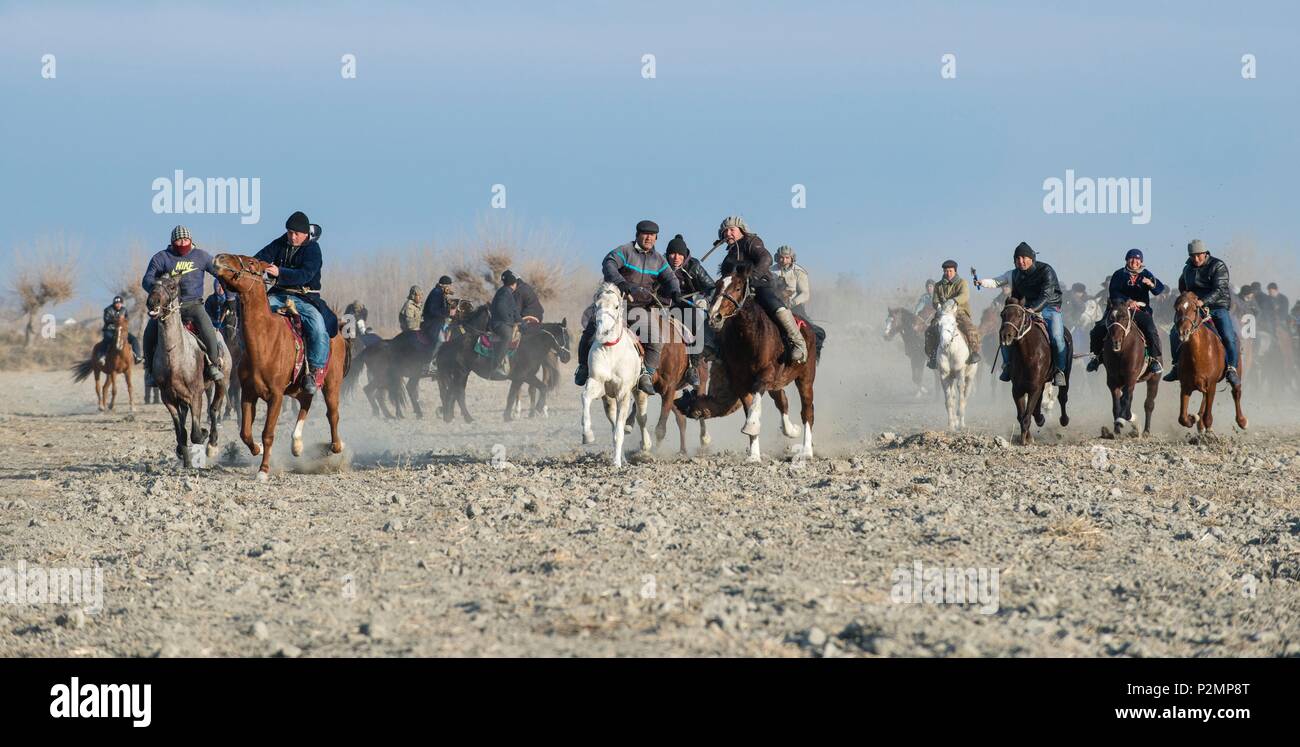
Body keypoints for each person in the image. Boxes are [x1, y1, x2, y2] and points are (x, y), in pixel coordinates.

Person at [574, 219, 684, 394]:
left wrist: (675, 292)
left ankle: (646, 374)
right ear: (638, 235)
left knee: (656, 338)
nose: (649, 238)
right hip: (617, 306)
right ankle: (583, 368)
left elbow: (671, 278)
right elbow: (608, 263)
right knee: (591, 330)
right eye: (645, 234)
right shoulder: (625, 251)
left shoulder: (659, 260)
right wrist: (621, 283)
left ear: (656, 238)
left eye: (652, 235)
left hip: (641, 309)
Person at [254, 211, 338, 395]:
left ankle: (314, 372)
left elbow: (305, 274)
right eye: (289, 232)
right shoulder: (281, 241)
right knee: (254, 316)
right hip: (278, 295)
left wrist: (279, 273)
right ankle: (250, 358)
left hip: (304, 297)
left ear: (305, 234)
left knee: (317, 326)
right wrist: (255, 265)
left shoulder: (313, 249)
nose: (292, 236)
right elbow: (260, 257)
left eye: (296, 233)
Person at [716, 215, 807, 364]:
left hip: (759, 286)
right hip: (738, 293)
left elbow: (766, 258)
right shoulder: (729, 256)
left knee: (775, 307)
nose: (728, 234)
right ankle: (718, 350)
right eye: (725, 232)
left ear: (741, 230)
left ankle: (798, 344)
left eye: (731, 230)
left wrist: (753, 277)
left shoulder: (751, 242)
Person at [141, 225, 225, 386]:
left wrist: (229, 290)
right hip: (168, 309)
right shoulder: (162, 257)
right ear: (172, 242)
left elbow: (220, 273)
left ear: (191, 240)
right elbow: (147, 279)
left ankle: (213, 365)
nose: (182, 243)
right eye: (179, 240)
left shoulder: (201, 256)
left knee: (208, 330)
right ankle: (150, 370)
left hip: (193, 305)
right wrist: (158, 285)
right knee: (149, 333)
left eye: (185, 240)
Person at [976, 242, 1068, 386]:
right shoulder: (1013, 274)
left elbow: (1046, 295)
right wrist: (982, 282)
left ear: (1032, 258)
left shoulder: (1046, 270)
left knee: (1057, 338)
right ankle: (1007, 366)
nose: (1021, 261)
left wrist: (1033, 309)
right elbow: (997, 281)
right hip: (1026, 308)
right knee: (1006, 332)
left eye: (1024, 257)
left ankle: (1059, 370)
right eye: (1017, 259)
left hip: (1049, 307)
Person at [1163, 239, 1240, 386]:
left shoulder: (1218, 265)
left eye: (1199, 255)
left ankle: (1231, 368)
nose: (1196, 259)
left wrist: (1202, 301)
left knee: (1229, 336)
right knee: (1175, 332)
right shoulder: (1187, 269)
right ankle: (1177, 366)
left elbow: (1220, 290)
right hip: (1196, 307)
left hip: (1217, 306)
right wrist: (1188, 299)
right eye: (1192, 256)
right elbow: (1183, 286)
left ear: (1205, 253)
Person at [1086, 248, 1166, 375]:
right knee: (1098, 328)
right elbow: (1114, 292)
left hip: (1140, 310)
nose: (1134, 261)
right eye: (1132, 258)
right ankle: (1096, 357)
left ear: (1141, 261)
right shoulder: (1119, 274)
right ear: (1127, 260)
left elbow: (1159, 290)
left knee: (1150, 329)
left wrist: (1151, 284)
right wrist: (1127, 301)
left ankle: (1154, 359)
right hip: (1118, 309)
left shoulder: (1146, 273)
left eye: (1138, 259)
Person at [665, 234, 714, 388]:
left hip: (686, 307)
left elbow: (711, 287)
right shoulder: (660, 265)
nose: (676, 258)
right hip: (663, 306)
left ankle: (692, 368)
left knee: (697, 326)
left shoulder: (693, 266)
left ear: (685, 255)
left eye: (680, 254)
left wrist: (703, 299)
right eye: (672, 254)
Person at [926, 259, 981, 368]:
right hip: (943, 313)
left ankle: (974, 352)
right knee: (930, 331)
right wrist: (938, 306)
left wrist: (954, 301)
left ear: (955, 271)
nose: (948, 273)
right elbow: (935, 300)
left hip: (959, 311)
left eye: (950, 271)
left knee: (970, 328)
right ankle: (932, 356)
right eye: (946, 271)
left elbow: (965, 295)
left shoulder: (962, 282)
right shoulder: (938, 285)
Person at [489, 271, 522, 375]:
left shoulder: (508, 292)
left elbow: (514, 311)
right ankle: (497, 366)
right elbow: (500, 308)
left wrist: (522, 323)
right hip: (499, 323)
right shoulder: (504, 293)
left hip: (504, 322)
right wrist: (510, 322)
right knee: (507, 337)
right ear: (513, 284)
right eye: (516, 283)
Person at [421, 276, 454, 373]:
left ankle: (436, 363)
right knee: (440, 341)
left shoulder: (440, 293)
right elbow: (433, 310)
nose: (450, 288)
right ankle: (427, 365)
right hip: (431, 323)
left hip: (437, 322)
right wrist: (448, 312)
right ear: (444, 285)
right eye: (449, 286)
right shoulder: (437, 293)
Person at [101, 295, 143, 365]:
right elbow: (106, 320)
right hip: (110, 329)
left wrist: (124, 321)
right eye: (116, 303)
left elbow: (127, 319)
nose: (118, 305)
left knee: (134, 339)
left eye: (120, 303)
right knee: (108, 339)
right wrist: (116, 320)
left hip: (121, 330)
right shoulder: (108, 309)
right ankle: (102, 356)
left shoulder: (124, 310)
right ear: (114, 304)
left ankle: (137, 356)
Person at [773, 246, 812, 318]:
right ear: (777, 258)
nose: (784, 260)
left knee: (807, 325)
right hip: (773, 306)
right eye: (781, 257)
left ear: (792, 258)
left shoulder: (799, 272)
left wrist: (790, 304)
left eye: (787, 258)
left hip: (794, 307)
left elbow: (805, 294)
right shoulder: (770, 271)